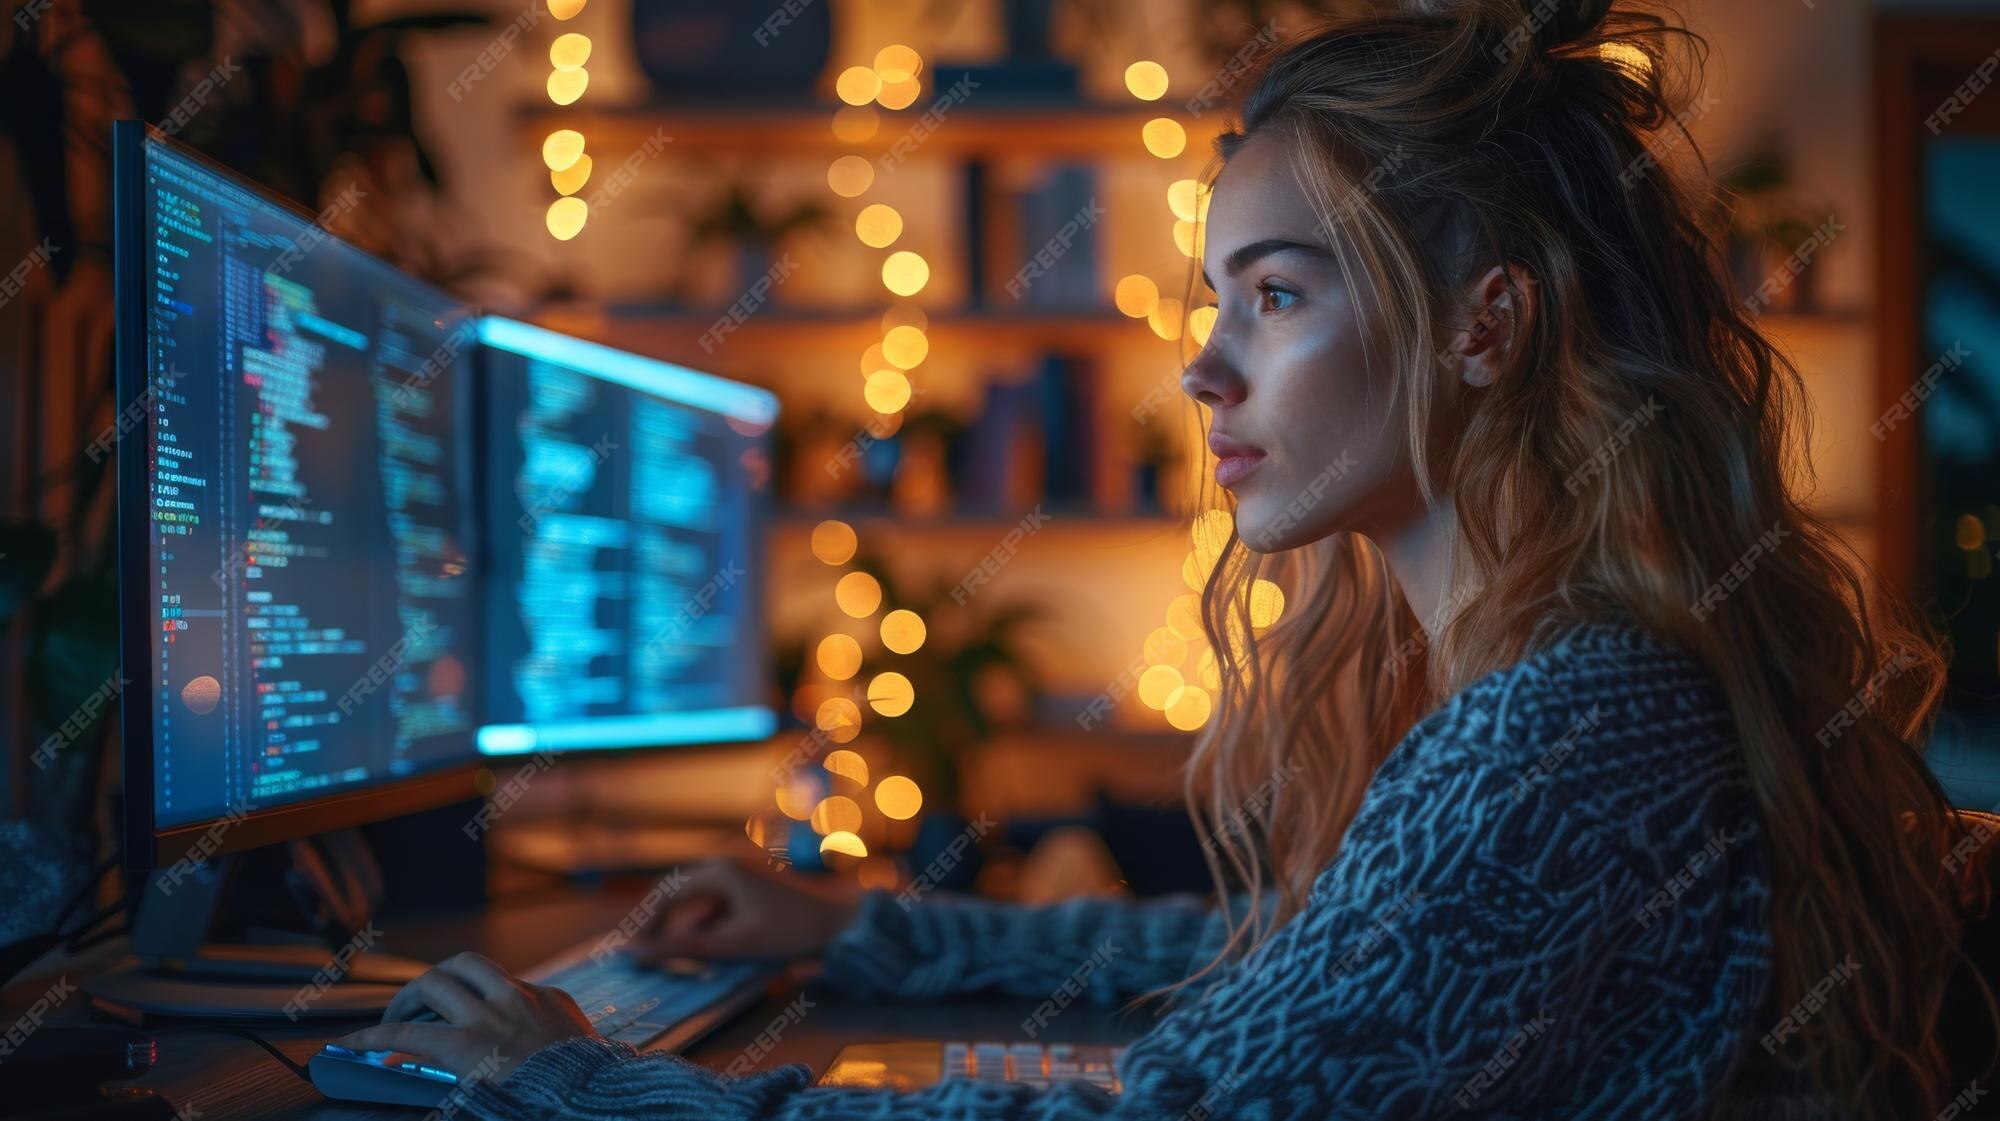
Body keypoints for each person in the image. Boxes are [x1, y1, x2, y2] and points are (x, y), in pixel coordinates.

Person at [338, 0, 1993, 1116]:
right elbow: (1289, 953)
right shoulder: (1571, 680)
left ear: (1485, 326)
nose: (1204, 368)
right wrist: (854, 930)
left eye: (1275, 295)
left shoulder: (1568, 724)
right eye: (1220, 301)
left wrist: (580, 1081)